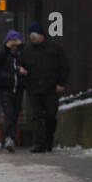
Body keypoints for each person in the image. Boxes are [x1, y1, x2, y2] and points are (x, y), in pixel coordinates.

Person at [20, 20, 70, 152]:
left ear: (42, 34)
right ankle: (38, 143)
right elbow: (21, 66)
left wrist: (61, 83)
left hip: (51, 88)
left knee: (50, 116)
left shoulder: (54, 48)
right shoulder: (27, 50)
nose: (33, 36)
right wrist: (23, 73)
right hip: (34, 89)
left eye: (35, 33)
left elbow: (64, 66)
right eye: (31, 34)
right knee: (36, 117)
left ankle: (48, 139)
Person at [0, 30, 25, 151]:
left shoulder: (22, 53)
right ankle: (9, 138)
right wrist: (6, 47)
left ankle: (8, 138)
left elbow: (30, 61)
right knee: (9, 113)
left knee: (15, 114)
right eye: (12, 43)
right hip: (5, 87)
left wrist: (21, 46)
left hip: (18, 87)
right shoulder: (3, 53)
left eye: (16, 43)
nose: (14, 46)